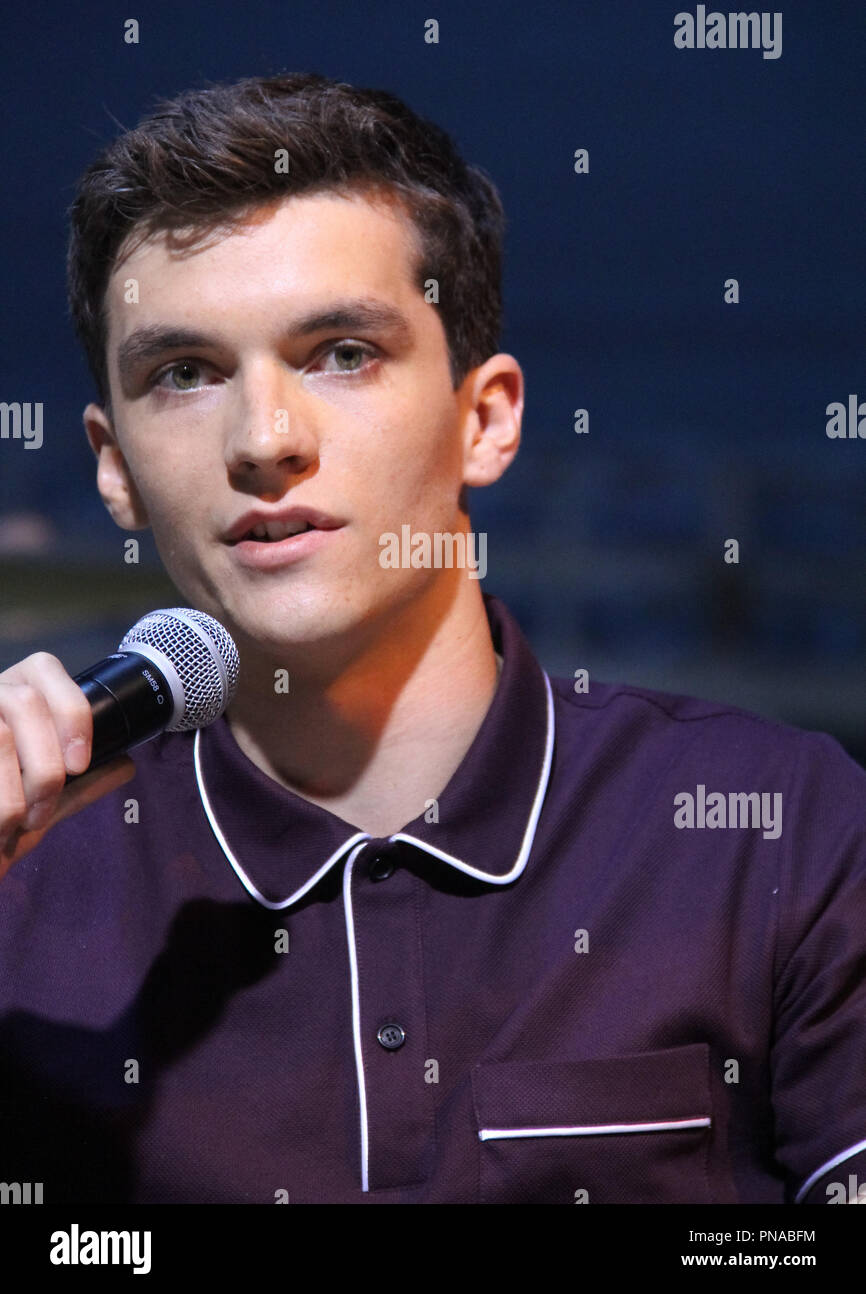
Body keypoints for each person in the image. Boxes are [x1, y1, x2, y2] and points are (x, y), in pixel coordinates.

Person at [0, 73, 864, 1205]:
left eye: (341, 353)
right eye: (185, 374)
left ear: (486, 419)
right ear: (113, 467)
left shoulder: (780, 829)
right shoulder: (29, 880)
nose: (263, 438)